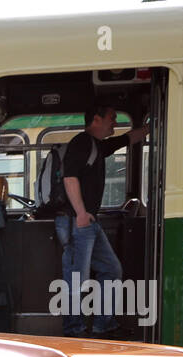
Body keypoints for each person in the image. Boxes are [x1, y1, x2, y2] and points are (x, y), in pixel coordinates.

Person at [56, 105, 147, 337]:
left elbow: (127, 138)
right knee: (76, 278)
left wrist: (150, 128)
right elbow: (70, 178)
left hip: (88, 223)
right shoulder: (82, 143)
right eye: (111, 118)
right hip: (78, 221)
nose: (114, 123)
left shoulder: (97, 145)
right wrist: (81, 214)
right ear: (96, 119)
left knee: (111, 269)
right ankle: (73, 330)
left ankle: (103, 324)